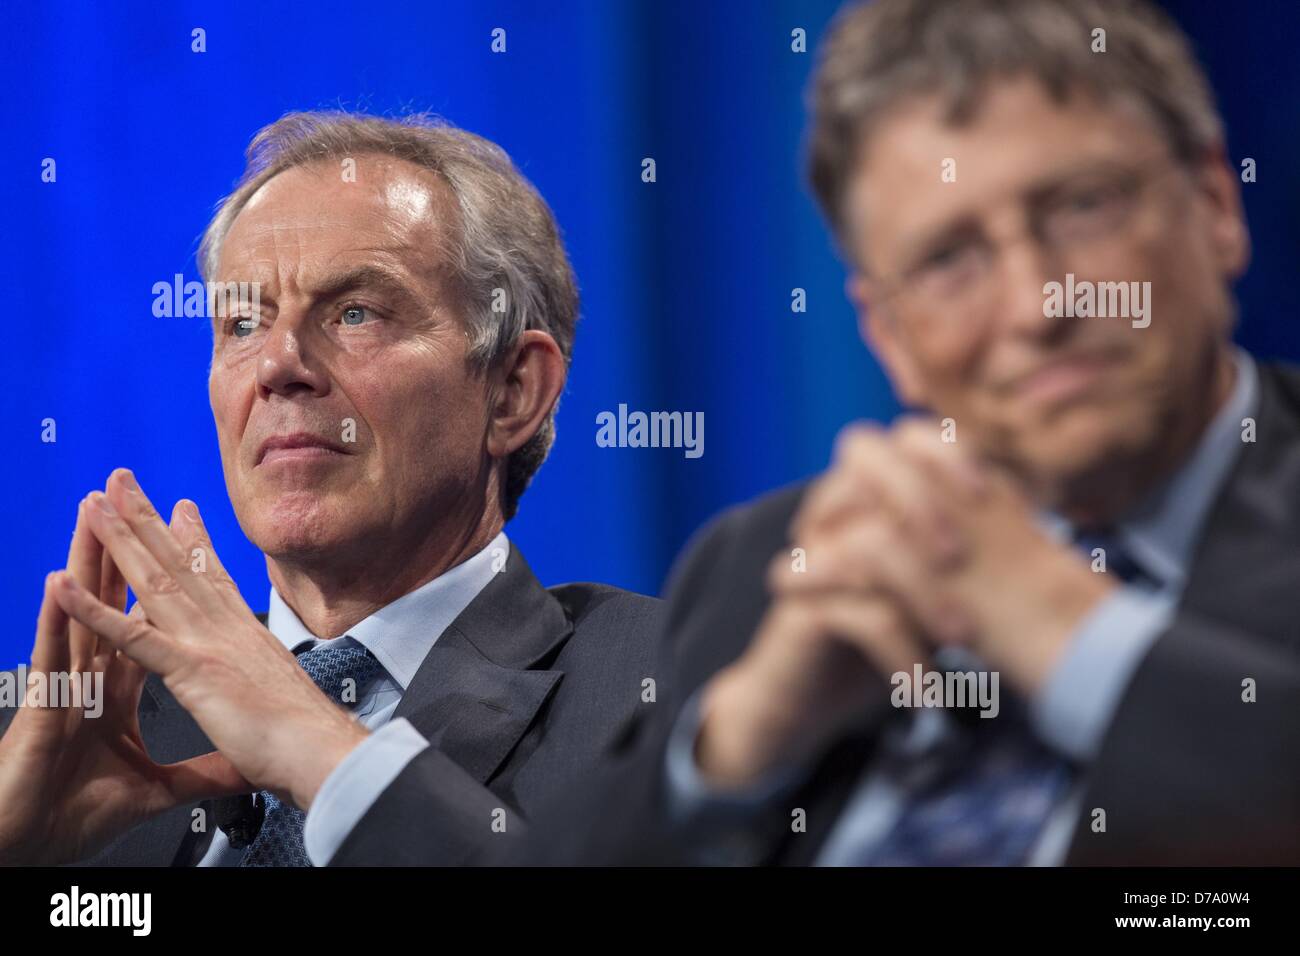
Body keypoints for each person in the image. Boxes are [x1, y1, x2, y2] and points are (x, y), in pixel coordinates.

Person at [535, 0, 1299, 866]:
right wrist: (732, 757)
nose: (1038, 304)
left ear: (1214, 205)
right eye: (947, 260)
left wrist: (1061, 627)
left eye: (1084, 208)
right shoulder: (765, 563)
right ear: (888, 335)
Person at [0, 112, 662, 867]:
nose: (278, 365)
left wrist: (314, 746)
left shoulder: (670, 687)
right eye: (244, 323)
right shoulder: (81, 733)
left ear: (511, 390)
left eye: (355, 313)